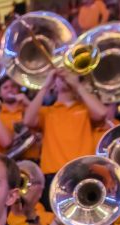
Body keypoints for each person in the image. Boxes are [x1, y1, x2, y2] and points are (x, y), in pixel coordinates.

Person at [24, 70, 109, 207]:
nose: (64, 76)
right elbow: (28, 120)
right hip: (53, 174)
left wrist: (77, 86)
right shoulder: (47, 112)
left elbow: (101, 113)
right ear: (54, 83)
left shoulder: (86, 109)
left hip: (84, 172)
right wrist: (45, 86)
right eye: (60, 75)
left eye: (70, 73)